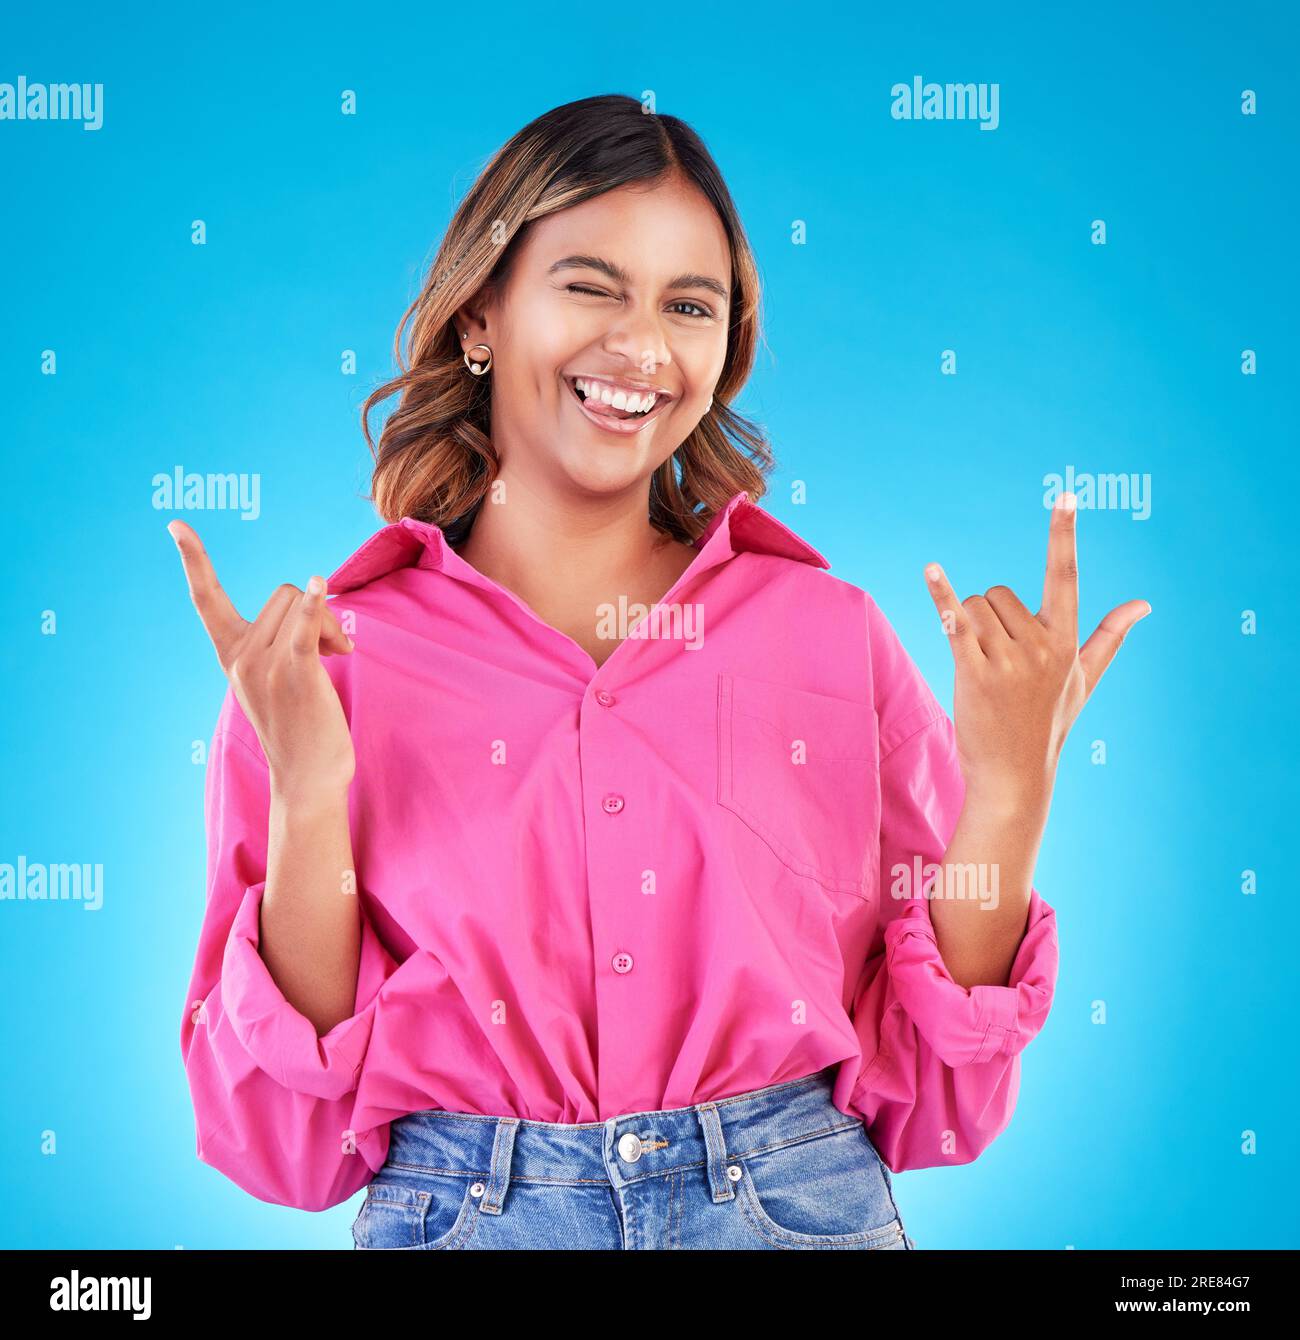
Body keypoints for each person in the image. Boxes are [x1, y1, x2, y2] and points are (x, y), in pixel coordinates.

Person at [169, 93, 1149, 1250]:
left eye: (689, 305)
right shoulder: (326, 664)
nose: (640, 347)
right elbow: (288, 1139)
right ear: (480, 314)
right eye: (590, 285)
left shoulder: (825, 633)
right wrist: (306, 793)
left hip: (791, 1208)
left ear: (722, 349)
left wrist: (1009, 796)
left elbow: (932, 1099)